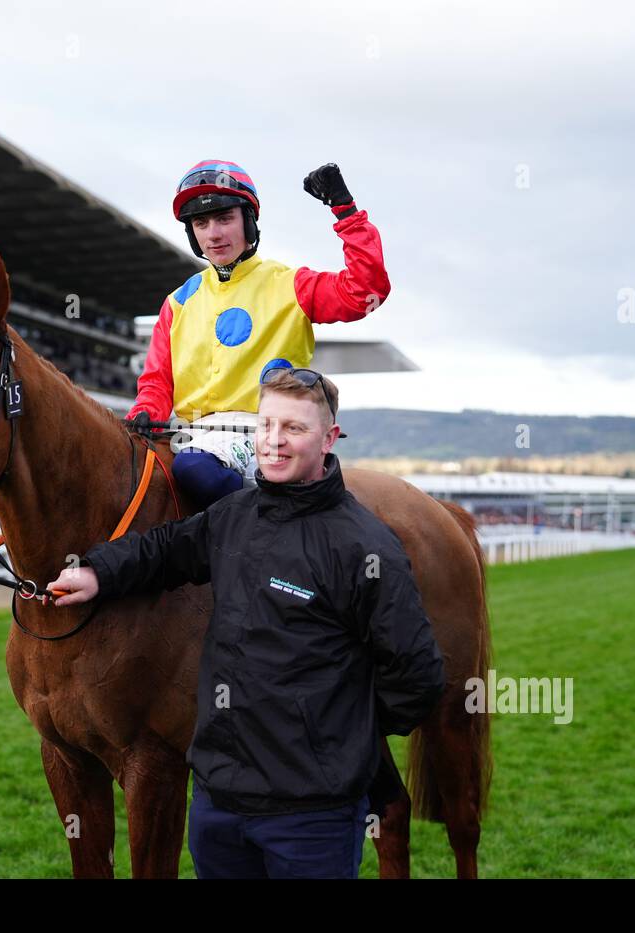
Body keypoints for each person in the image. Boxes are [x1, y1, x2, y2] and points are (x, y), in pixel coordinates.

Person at [48, 368, 445, 878]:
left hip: (311, 819)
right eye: (266, 425)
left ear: (329, 439)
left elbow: (417, 675)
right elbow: (164, 551)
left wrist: (345, 734)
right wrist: (97, 573)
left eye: (294, 429)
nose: (274, 442)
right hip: (219, 806)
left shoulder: (366, 547)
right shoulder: (234, 515)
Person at [126, 160, 390, 509]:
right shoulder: (177, 302)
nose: (214, 234)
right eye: (201, 224)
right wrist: (144, 411)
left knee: (195, 470)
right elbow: (157, 381)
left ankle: (261, 538)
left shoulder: (291, 285)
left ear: (248, 222)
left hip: (264, 433)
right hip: (186, 433)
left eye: (224, 219)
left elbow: (365, 292)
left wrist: (346, 212)